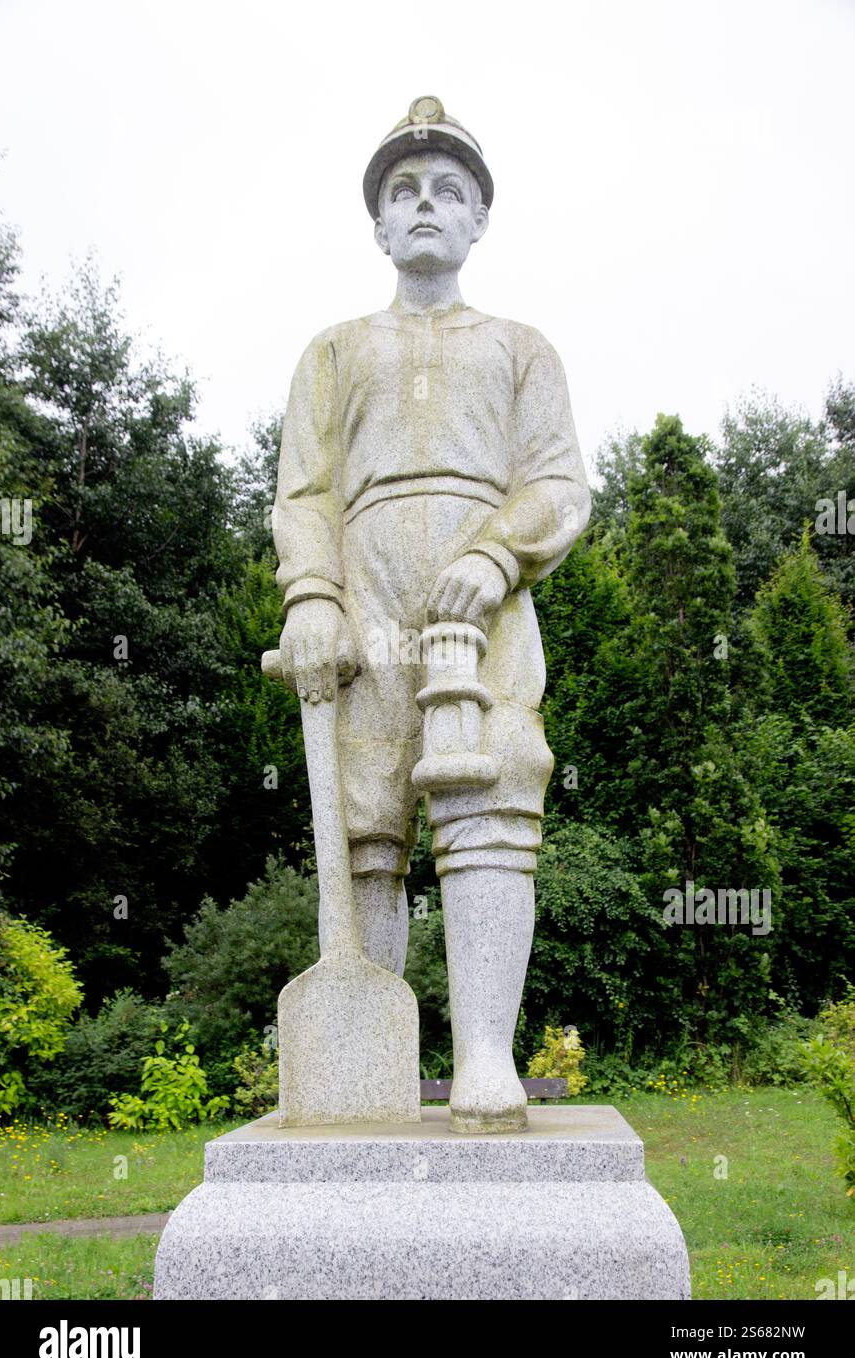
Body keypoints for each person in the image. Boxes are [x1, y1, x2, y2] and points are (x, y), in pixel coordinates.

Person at [272, 96, 591, 1131]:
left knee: (489, 798)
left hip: (481, 613)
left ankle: (485, 1060)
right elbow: (305, 494)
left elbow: (557, 482)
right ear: (375, 225)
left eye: (445, 190)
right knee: (366, 823)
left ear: (477, 219)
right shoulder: (331, 351)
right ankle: (365, 1069)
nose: (422, 206)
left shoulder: (520, 347)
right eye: (401, 192)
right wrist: (313, 598)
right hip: (365, 604)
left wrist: (498, 552)